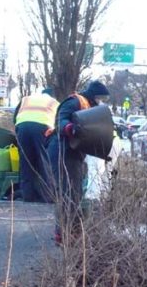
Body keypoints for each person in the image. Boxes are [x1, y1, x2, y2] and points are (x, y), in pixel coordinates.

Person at [47, 80, 110, 244]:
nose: (102, 101)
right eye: (101, 98)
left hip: (74, 153)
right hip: (62, 150)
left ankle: (70, 231)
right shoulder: (75, 102)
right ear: (94, 96)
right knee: (68, 192)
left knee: (75, 192)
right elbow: (61, 120)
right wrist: (69, 127)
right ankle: (63, 233)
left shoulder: (90, 107)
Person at [13, 88, 59, 203]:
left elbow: (15, 117)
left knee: (26, 162)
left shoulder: (26, 99)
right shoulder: (54, 102)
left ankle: (27, 196)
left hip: (22, 127)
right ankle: (47, 197)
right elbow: (58, 124)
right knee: (43, 161)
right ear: (52, 95)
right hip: (42, 128)